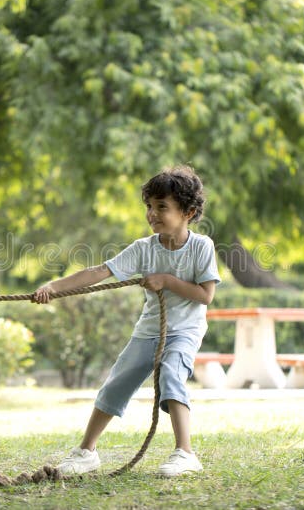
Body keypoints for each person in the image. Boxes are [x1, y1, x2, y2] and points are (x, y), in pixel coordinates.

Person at [32, 165, 220, 477]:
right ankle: (86, 451)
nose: (152, 214)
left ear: (188, 212)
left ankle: (185, 453)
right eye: (149, 206)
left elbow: (205, 295)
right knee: (117, 382)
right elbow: (99, 272)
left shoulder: (202, 247)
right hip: (148, 331)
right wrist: (54, 288)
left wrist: (166, 280)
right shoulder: (143, 248)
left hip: (184, 331)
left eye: (162, 207)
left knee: (171, 374)